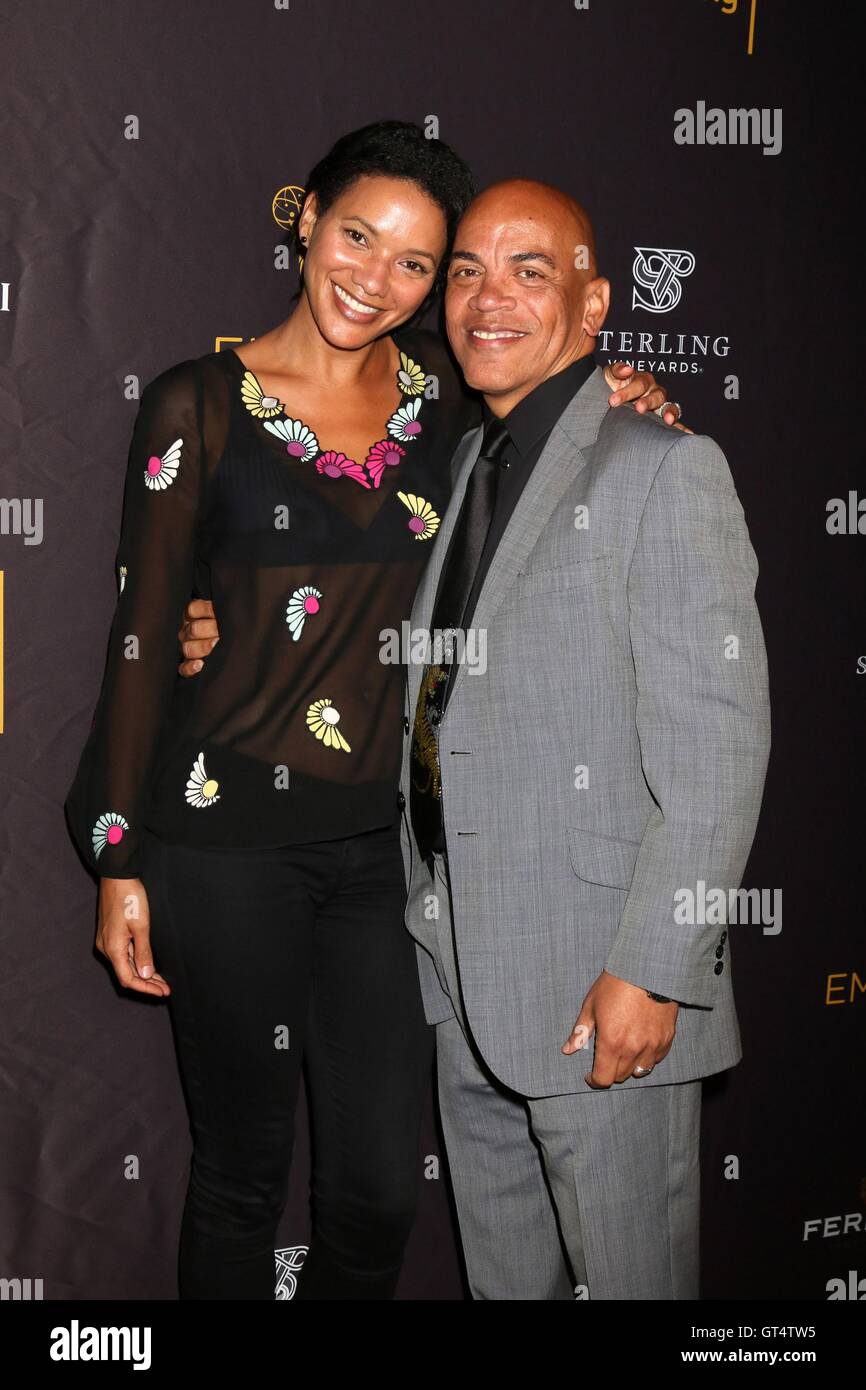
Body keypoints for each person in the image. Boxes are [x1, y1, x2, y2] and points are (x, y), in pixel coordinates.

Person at [66, 122, 678, 1301]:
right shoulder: (195, 403)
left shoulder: (452, 413)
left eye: (415, 264)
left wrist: (621, 391)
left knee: (379, 1193)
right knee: (244, 1173)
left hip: (390, 855)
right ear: (304, 220)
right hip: (220, 835)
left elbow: (557, 445)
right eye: (357, 236)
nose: (375, 279)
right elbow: (143, 637)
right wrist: (117, 855)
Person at [399, 179, 770, 1299]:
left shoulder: (663, 465)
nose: (485, 296)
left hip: (597, 987)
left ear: (594, 299)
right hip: (463, 975)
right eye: (464, 270)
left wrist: (654, 967)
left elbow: (718, 745)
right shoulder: (472, 465)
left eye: (527, 269)